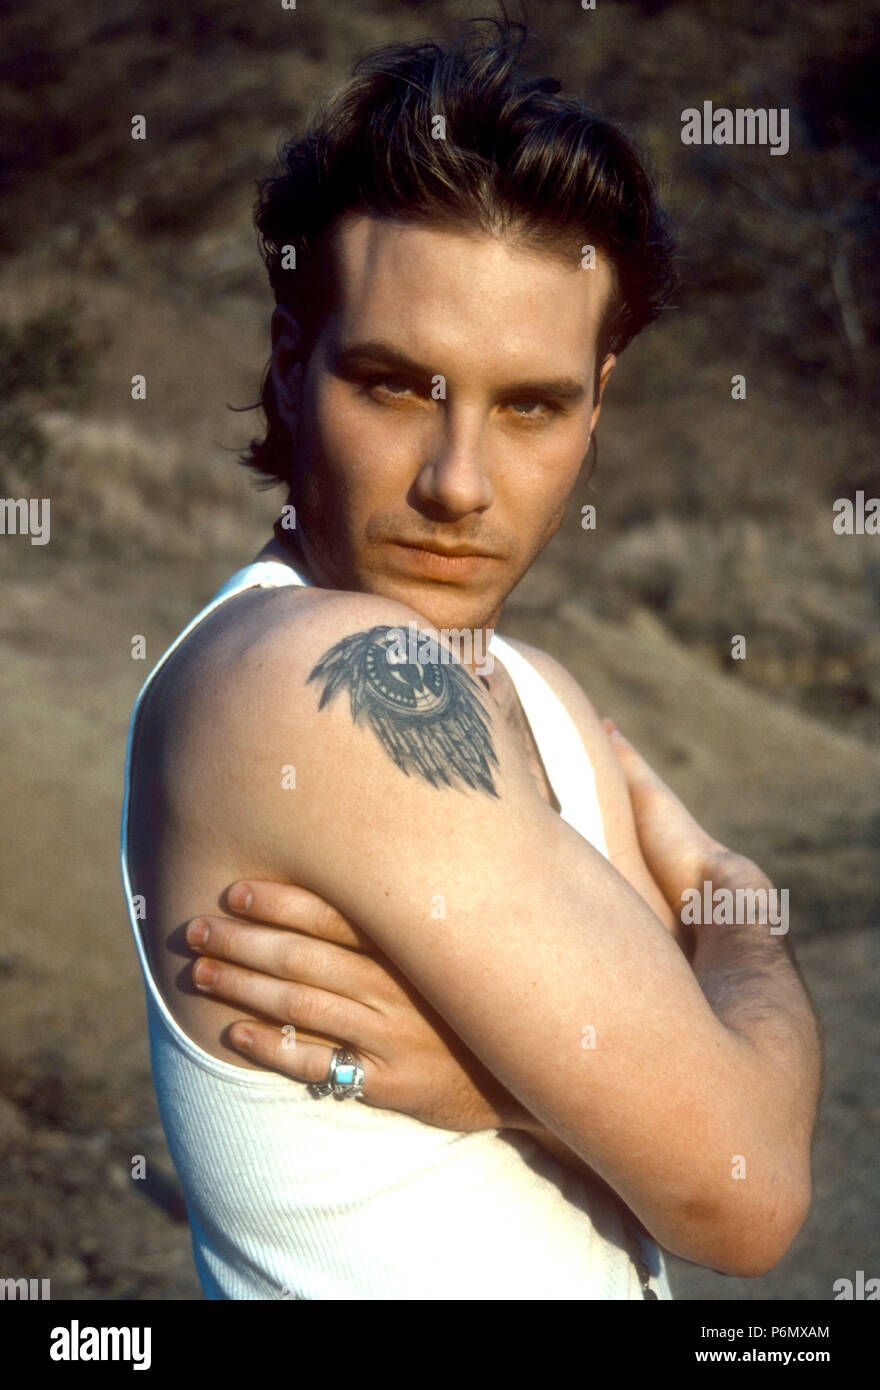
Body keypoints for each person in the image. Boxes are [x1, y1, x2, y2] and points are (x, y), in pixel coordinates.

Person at [121, 20, 822, 1300]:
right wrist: (746, 925)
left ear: (596, 405)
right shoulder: (302, 674)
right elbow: (746, 1187)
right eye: (395, 387)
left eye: (531, 406)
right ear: (292, 368)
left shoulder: (545, 696)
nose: (457, 484)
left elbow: (685, 1126)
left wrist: (496, 1084)